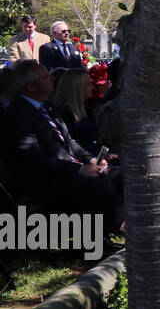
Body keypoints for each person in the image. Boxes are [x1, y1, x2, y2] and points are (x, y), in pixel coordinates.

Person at [1, 60, 124, 230]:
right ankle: (100, 237)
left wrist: (93, 159)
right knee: (99, 185)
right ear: (31, 87)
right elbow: (36, 159)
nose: (52, 79)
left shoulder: (45, 105)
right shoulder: (18, 115)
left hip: (66, 169)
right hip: (45, 180)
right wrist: (80, 170)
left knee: (120, 174)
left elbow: (69, 142)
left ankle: (118, 225)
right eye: (45, 77)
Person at [53, 67, 99, 153]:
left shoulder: (87, 109)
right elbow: (71, 146)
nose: (93, 87)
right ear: (77, 88)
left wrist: (103, 154)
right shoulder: (64, 115)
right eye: (88, 84)